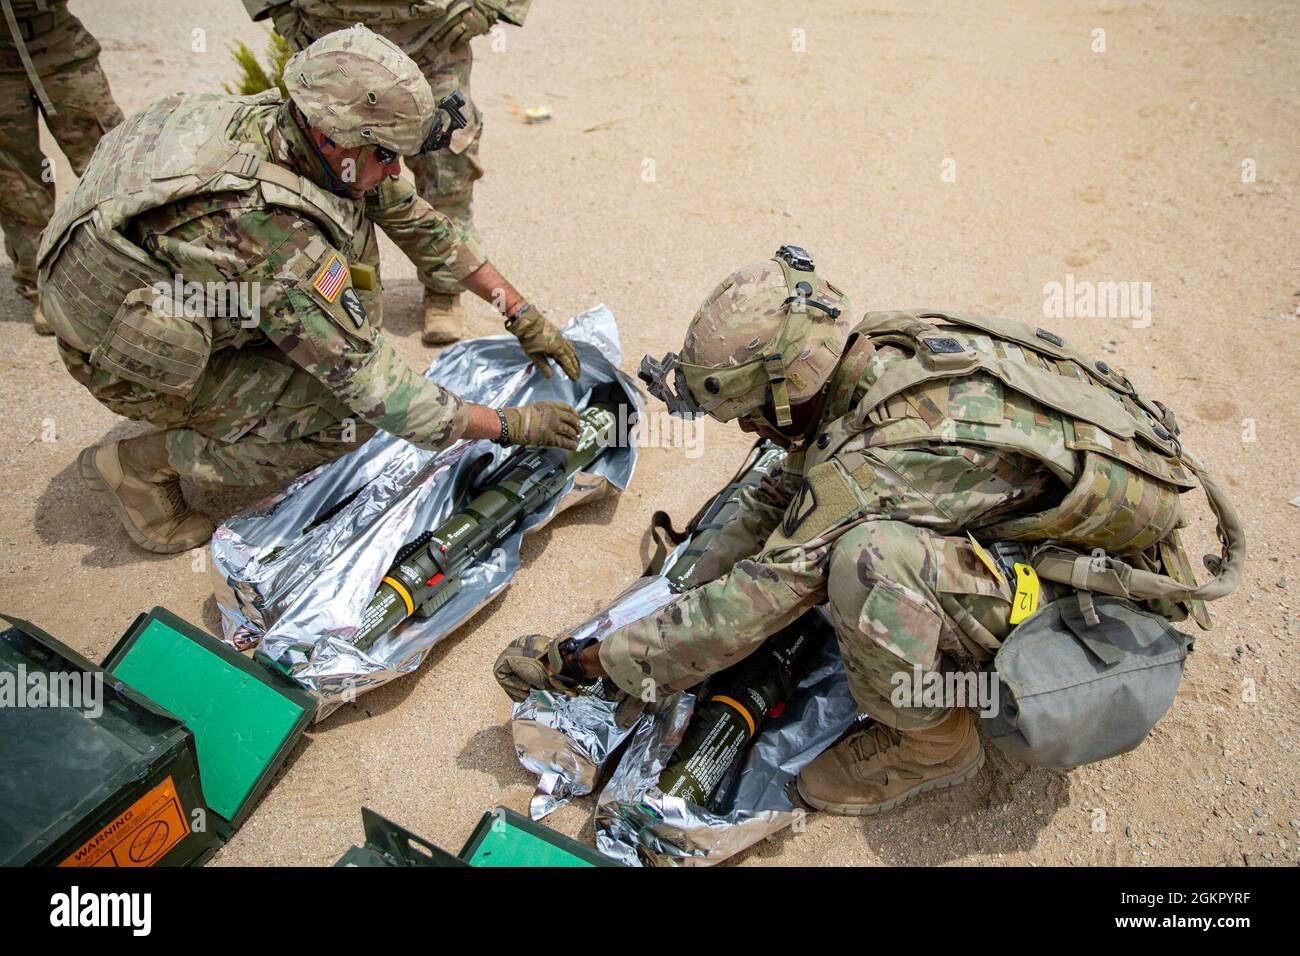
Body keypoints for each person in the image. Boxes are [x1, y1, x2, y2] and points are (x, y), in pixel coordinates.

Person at [496, 245, 1232, 816]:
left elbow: (752, 606)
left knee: (869, 562)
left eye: (749, 411)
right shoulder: (876, 350)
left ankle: (933, 743)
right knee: (798, 494)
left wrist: (597, 663)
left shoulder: (880, 462)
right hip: (1071, 513)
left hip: (1100, 599)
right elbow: (791, 475)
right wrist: (675, 590)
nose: (748, 427)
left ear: (787, 387)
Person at [38, 26, 580, 555]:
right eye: (387, 155)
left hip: (182, 302)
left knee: (338, 312)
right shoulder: (268, 232)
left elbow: (424, 227)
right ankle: (141, 464)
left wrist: (521, 313)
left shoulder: (301, 127)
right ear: (330, 137)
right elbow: (378, 391)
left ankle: (243, 383)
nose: (397, 169)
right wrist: (507, 425)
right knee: (346, 421)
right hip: (128, 357)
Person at [245, 0, 532, 345]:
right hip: (330, 29)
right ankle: (324, 296)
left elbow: (416, 218)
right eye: (388, 155)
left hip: (432, 34)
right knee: (329, 176)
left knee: (445, 168)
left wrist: (490, 7)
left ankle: (442, 289)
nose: (396, 168)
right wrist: (279, 10)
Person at [1, 0, 123, 334]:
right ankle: (44, 286)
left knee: (113, 160)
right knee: (15, 181)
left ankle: (137, 269)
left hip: (59, 46)